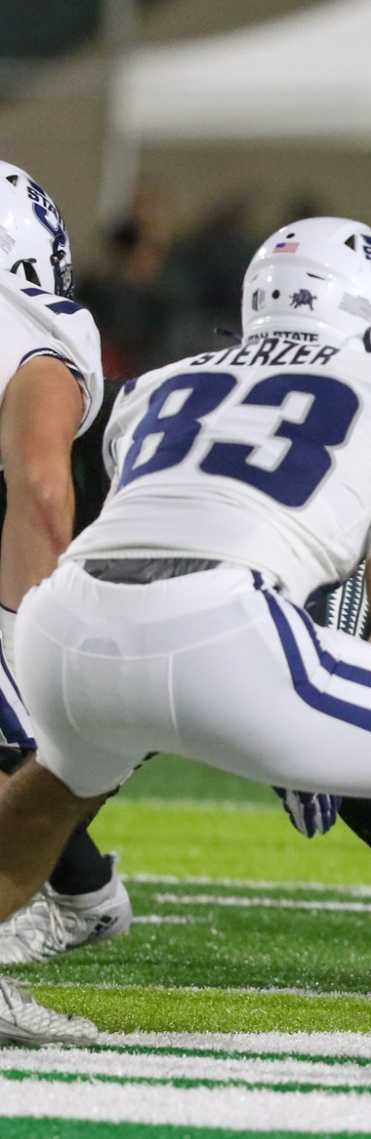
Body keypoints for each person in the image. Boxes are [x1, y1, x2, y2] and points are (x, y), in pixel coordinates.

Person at [0, 216, 371, 1081]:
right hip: (222, 617)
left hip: (64, 618)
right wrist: (322, 738)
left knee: (53, 786)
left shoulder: (156, 384)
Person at [0, 164, 135, 1034]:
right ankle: (85, 889)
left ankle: (80, 892)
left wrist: (20, 640)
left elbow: (45, 492)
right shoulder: (35, 321)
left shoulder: (31, 329)